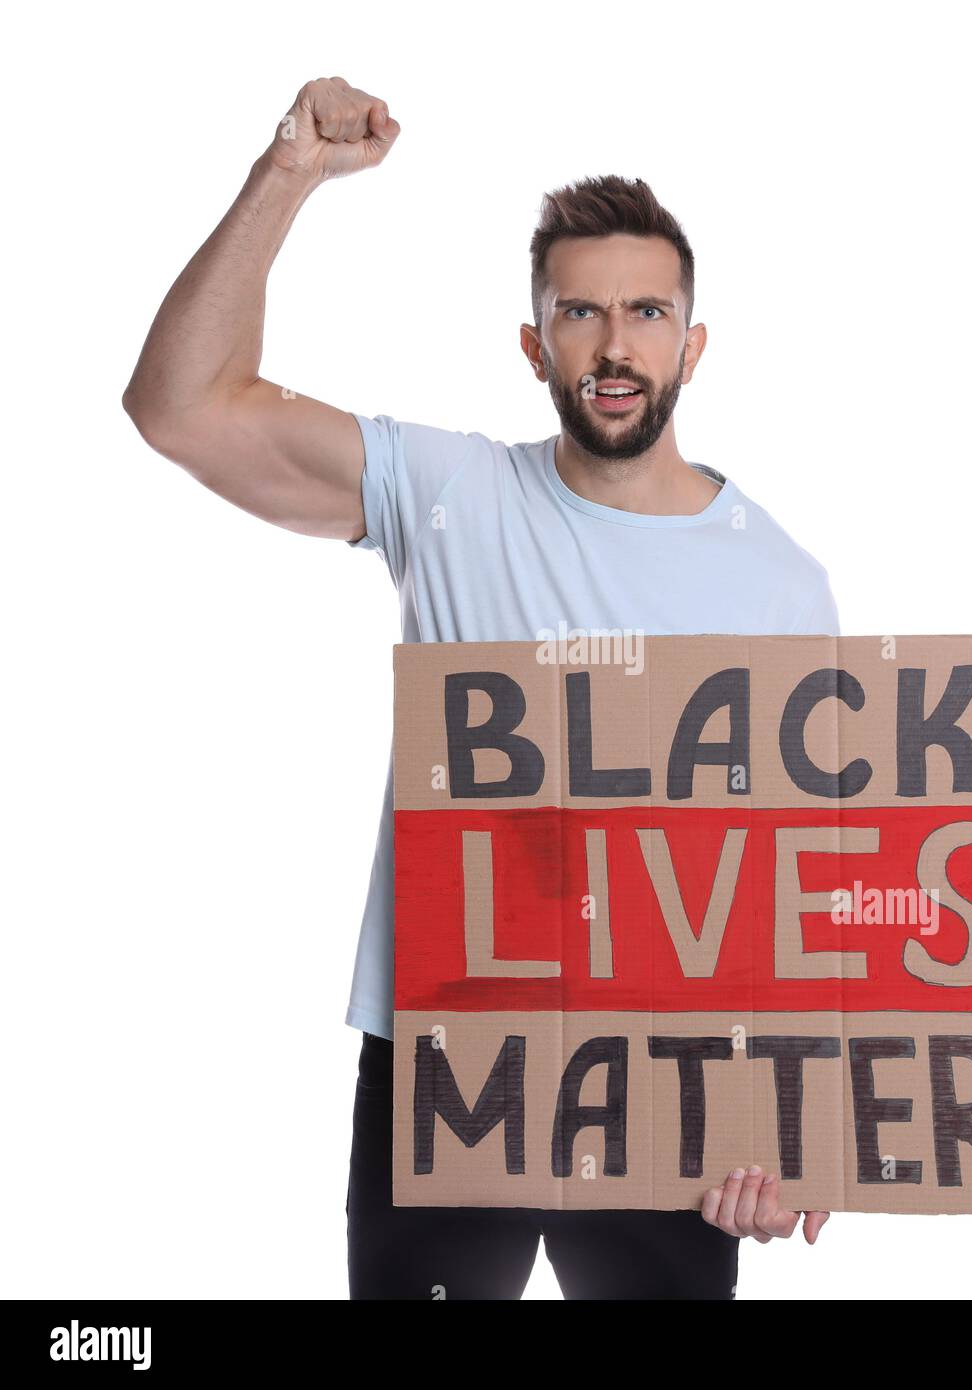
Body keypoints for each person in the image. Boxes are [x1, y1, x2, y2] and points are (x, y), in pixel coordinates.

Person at [123, 75, 835, 1300]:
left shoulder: (779, 583)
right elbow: (180, 408)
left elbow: (807, 881)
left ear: (692, 343)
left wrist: (802, 1117)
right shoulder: (451, 496)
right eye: (581, 313)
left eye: (648, 312)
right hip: (451, 1058)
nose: (615, 345)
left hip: (666, 1075)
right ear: (533, 342)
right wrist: (287, 172)